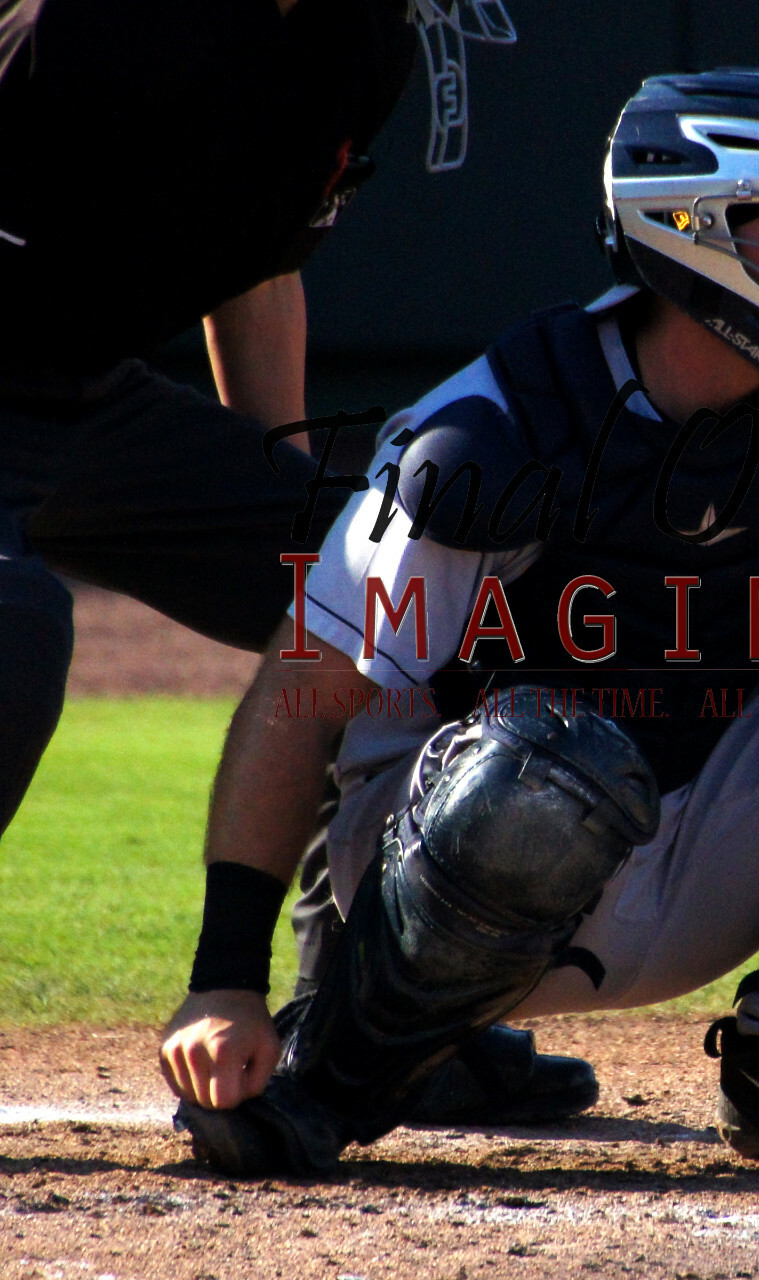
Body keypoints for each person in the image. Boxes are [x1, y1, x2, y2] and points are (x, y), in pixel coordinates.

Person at [158, 68, 759, 1176]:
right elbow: (298, 695)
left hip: (701, 834)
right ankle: (334, 1070)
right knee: (554, 757)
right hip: (452, 858)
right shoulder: (496, 430)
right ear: (696, 236)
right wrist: (222, 979)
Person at [0, 0, 416, 834]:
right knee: (17, 630)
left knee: (403, 597)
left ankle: (370, 950)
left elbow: (260, 278)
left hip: (86, 406)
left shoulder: (362, 38)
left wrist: (292, 529)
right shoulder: (86, 29)